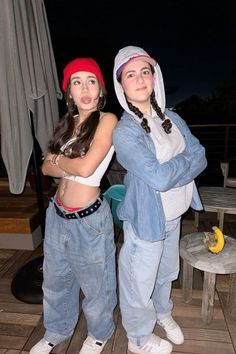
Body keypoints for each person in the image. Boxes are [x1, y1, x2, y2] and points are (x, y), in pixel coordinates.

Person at [112, 46, 207, 354]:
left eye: (145, 71)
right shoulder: (124, 132)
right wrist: (183, 163)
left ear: (155, 76)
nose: (140, 79)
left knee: (166, 273)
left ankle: (163, 314)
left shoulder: (174, 119)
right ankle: (138, 338)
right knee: (138, 283)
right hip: (146, 221)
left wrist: (176, 166)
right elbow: (160, 178)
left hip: (174, 216)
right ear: (121, 84)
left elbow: (202, 156)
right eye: (130, 74)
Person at [30, 57, 118, 354]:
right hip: (56, 215)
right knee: (56, 280)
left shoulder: (107, 120)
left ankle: (99, 334)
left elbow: (86, 168)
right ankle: (57, 329)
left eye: (91, 81)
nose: (84, 88)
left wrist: (58, 162)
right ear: (68, 91)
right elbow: (44, 168)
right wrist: (63, 163)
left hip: (89, 221)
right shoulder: (66, 124)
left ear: (101, 89)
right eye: (76, 82)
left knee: (97, 286)